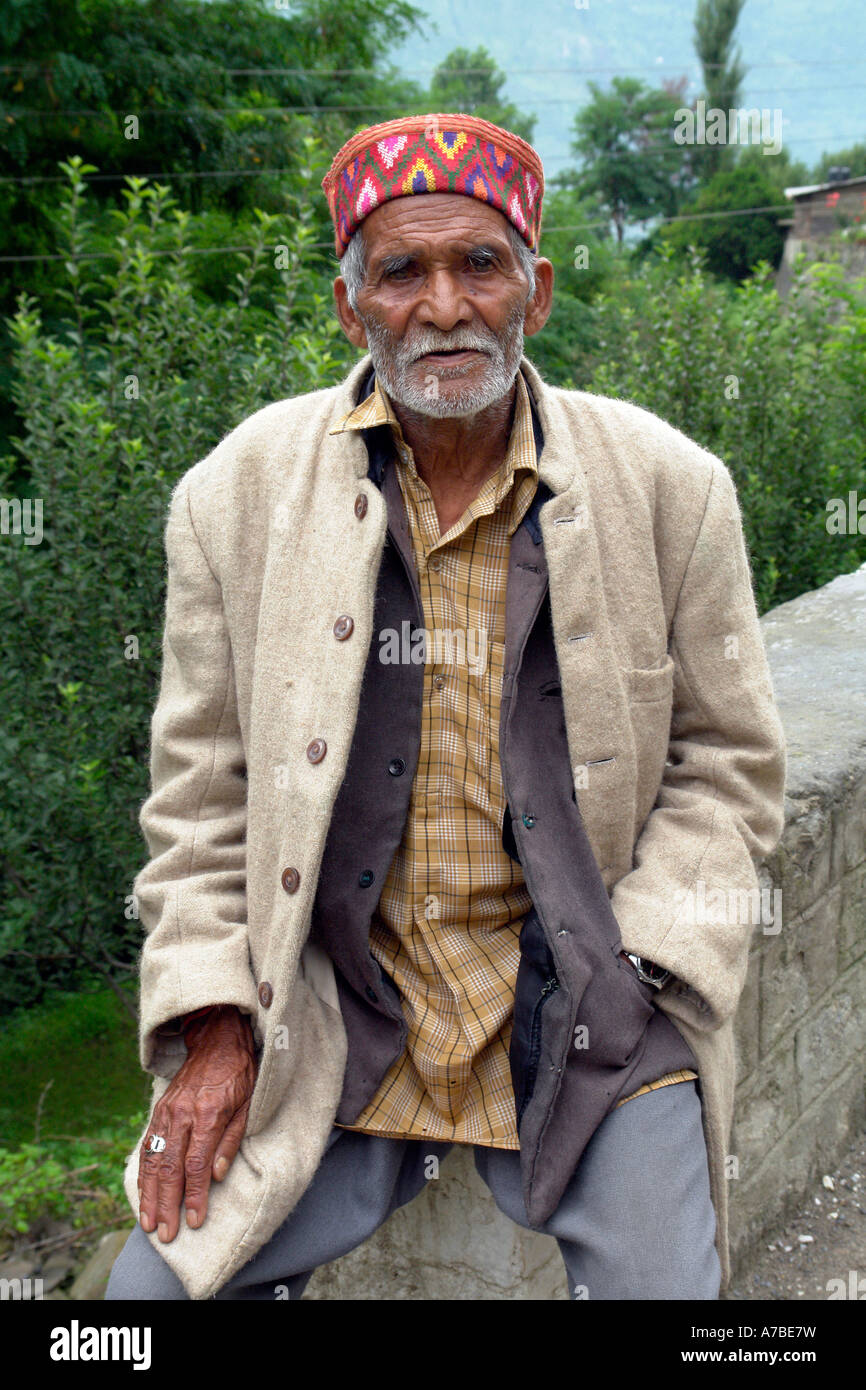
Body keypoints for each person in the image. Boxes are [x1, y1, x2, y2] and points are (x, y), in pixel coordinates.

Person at [106, 112, 787, 1302]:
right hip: (330, 1013)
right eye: (401, 270)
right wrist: (213, 1020)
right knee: (141, 1312)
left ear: (538, 289)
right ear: (347, 303)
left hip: (582, 1004)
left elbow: (727, 763)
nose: (442, 305)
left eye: (478, 263)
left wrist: (648, 965)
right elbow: (200, 801)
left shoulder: (672, 489)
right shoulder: (232, 497)